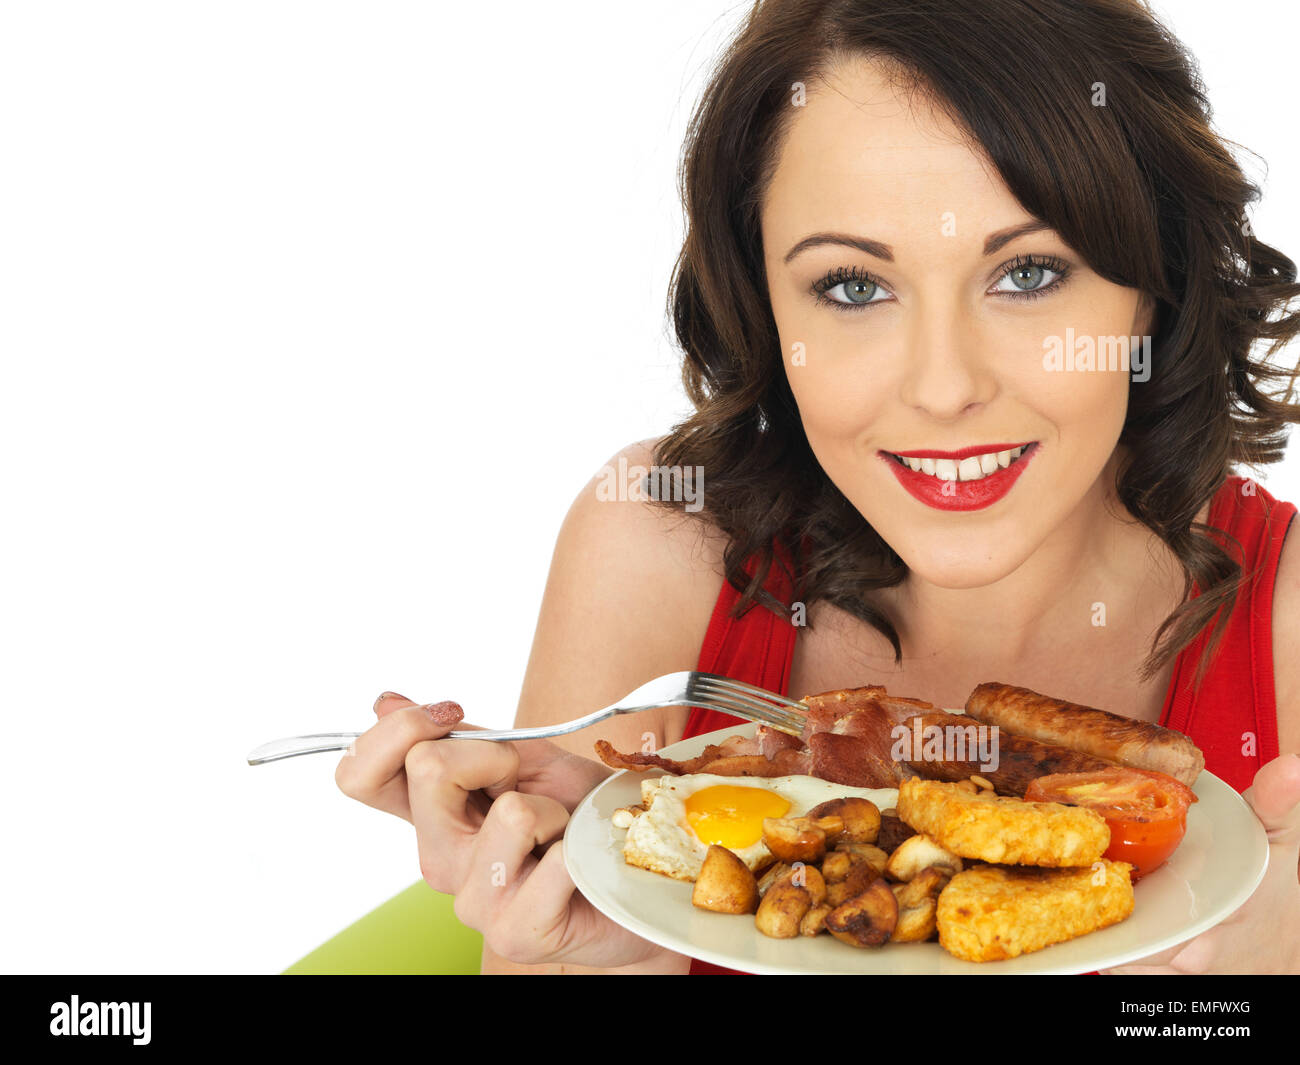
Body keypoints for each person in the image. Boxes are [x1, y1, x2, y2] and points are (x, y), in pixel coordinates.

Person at [336, 0, 1300, 975]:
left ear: (1158, 280)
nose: (942, 388)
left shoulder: (1288, 619)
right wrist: (577, 967)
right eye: (851, 287)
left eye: (1029, 274)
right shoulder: (652, 552)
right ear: (758, 301)